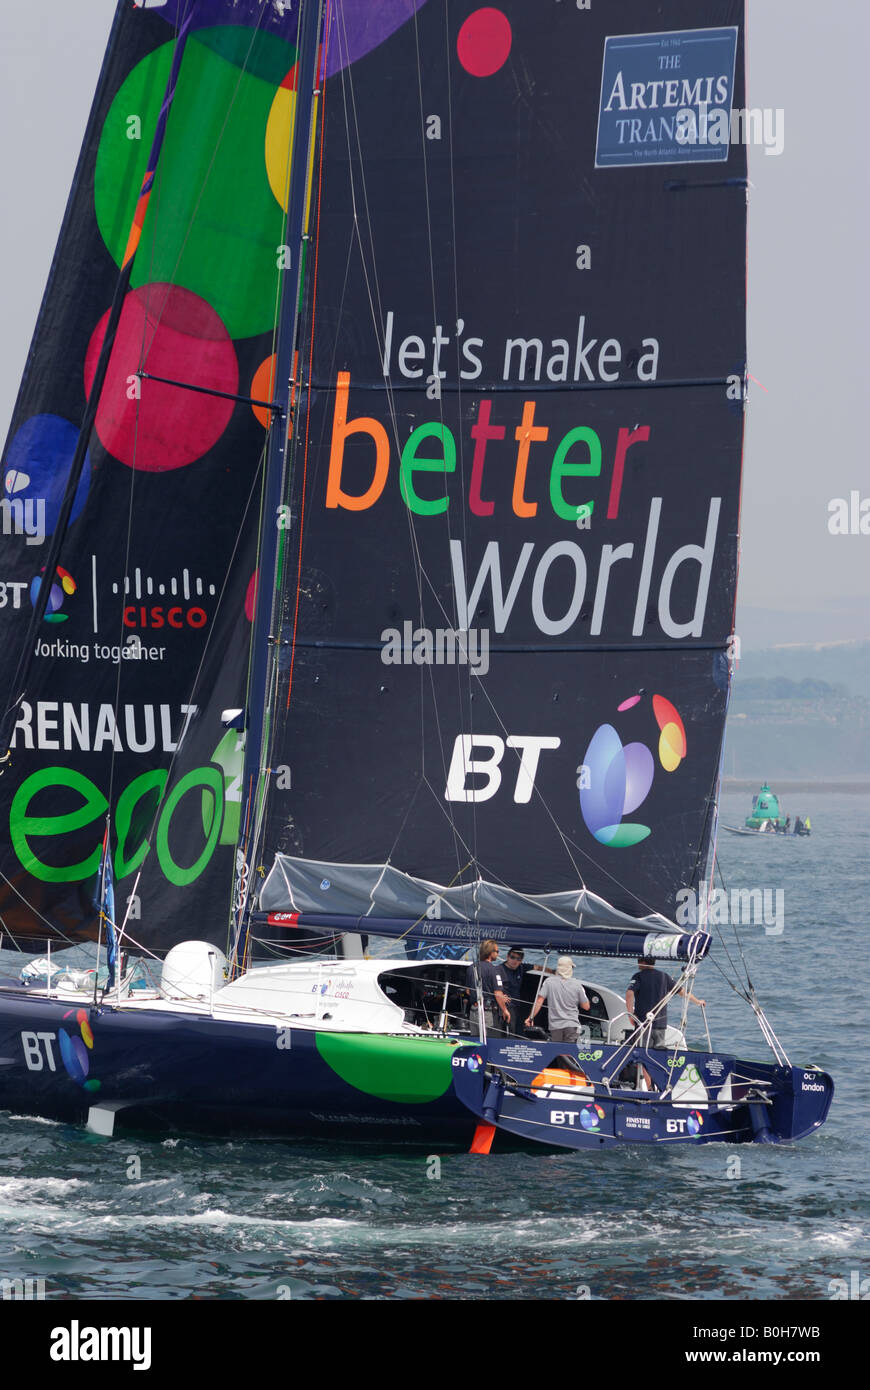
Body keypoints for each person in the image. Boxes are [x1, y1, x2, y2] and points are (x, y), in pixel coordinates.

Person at [625, 957, 705, 1048]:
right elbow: (683, 992)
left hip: (643, 1023)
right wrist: (698, 1002)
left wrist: (631, 1014)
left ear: (642, 962)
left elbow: (629, 993)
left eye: (638, 961)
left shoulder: (638, 976)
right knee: (658, 1053)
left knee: (643, 1051)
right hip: (660, 1024)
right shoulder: (664, 976)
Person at [525, 957, 590, 1042]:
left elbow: (539, 1001)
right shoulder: (577, 985)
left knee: (558, 1051)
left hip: (555, 1026)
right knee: (568, 1052)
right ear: (570, 969)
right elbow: (586, 1006)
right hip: (572, 1025)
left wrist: (530, 1017)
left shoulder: (548, 982)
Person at [471, 940, 512, 1036]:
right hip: (488, 1013)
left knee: (475, 1041)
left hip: (473, 1012)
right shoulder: (494, 970)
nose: (498, 954)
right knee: (491, 1041)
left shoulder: (471, 968)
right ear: (490, 953)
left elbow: (468, 991)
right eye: (497, 951)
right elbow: (498, 994)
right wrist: (505, 1011)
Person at [501, 946, 529, 1034]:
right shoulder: (499, 970)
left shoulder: (521, 968)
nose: (515, 961)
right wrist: (500, 996)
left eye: (518, 959)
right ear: (507, 957)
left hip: (517, 1005)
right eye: (512, 957)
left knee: (519, 1030)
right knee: (509, 1030)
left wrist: (553, 972)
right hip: (506, 1006)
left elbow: (537, 967)